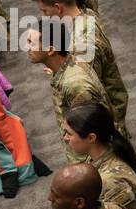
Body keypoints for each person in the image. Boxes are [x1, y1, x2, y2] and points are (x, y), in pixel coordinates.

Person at [24, 13, 110, 164]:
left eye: (31, 42)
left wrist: (84, 170)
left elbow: (91, 136)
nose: (27, 47)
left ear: (50, 50)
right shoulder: (66, 67)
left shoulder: (75, 85)